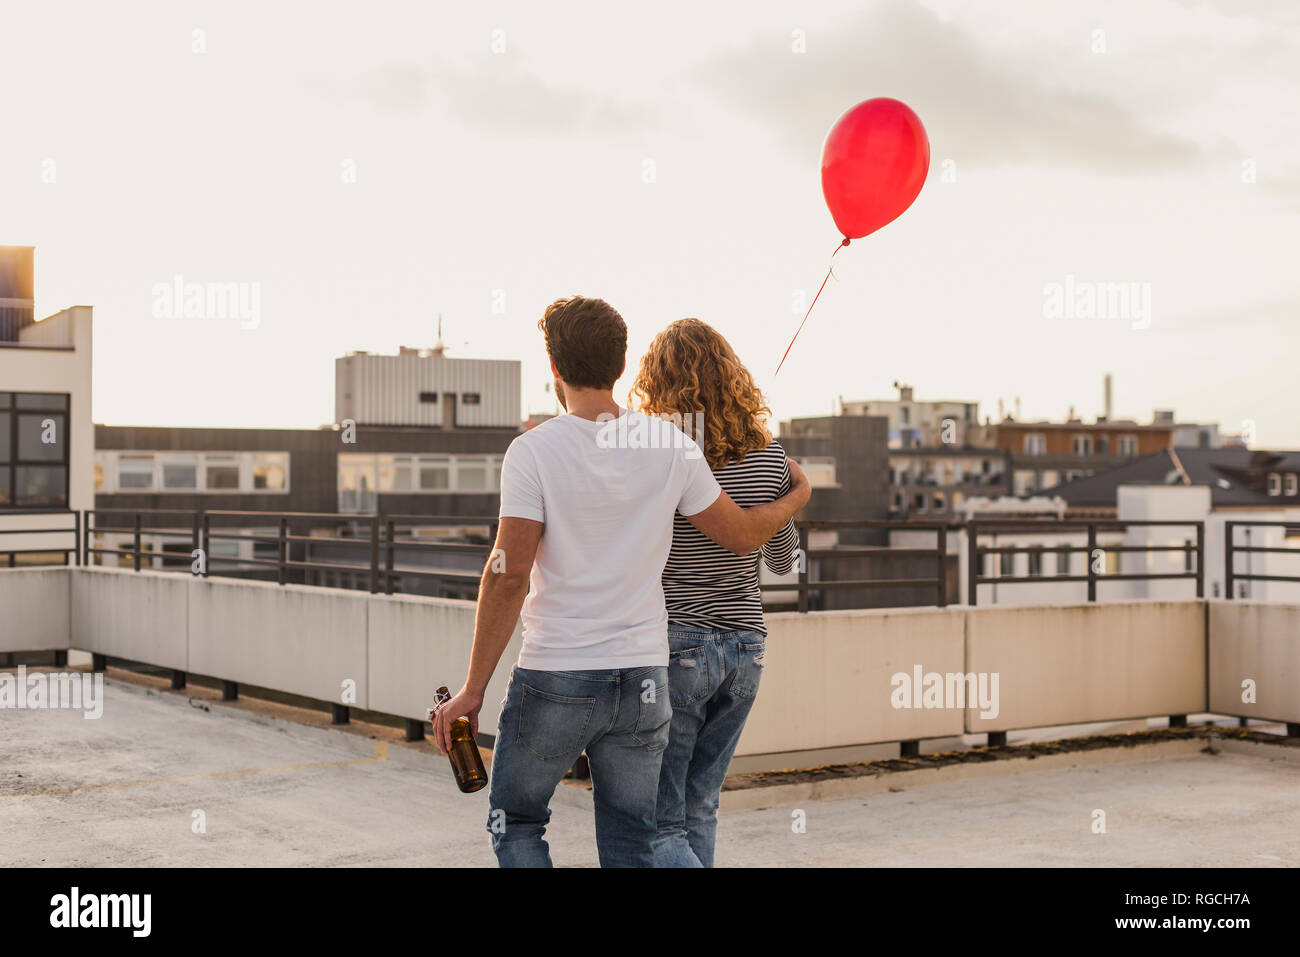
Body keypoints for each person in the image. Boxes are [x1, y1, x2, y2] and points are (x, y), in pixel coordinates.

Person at [432, 296, 810, 867]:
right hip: (645, 676)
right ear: (620, 364)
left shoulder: (533, 451)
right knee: (645, 834)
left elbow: (506, 576)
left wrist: (474, 689)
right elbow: (744, 536)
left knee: (519, 824)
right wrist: (798, 496)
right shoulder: (674, 447)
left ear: (554, 368)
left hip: (559, 673)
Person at [629, 317, 801, 867]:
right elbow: (781, 562)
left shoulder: (660, 453)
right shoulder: (770, 458)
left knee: (663, 817)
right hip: (746, 647)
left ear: (657, 381)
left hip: (679, 643)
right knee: (701, 804)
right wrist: (791, 492)